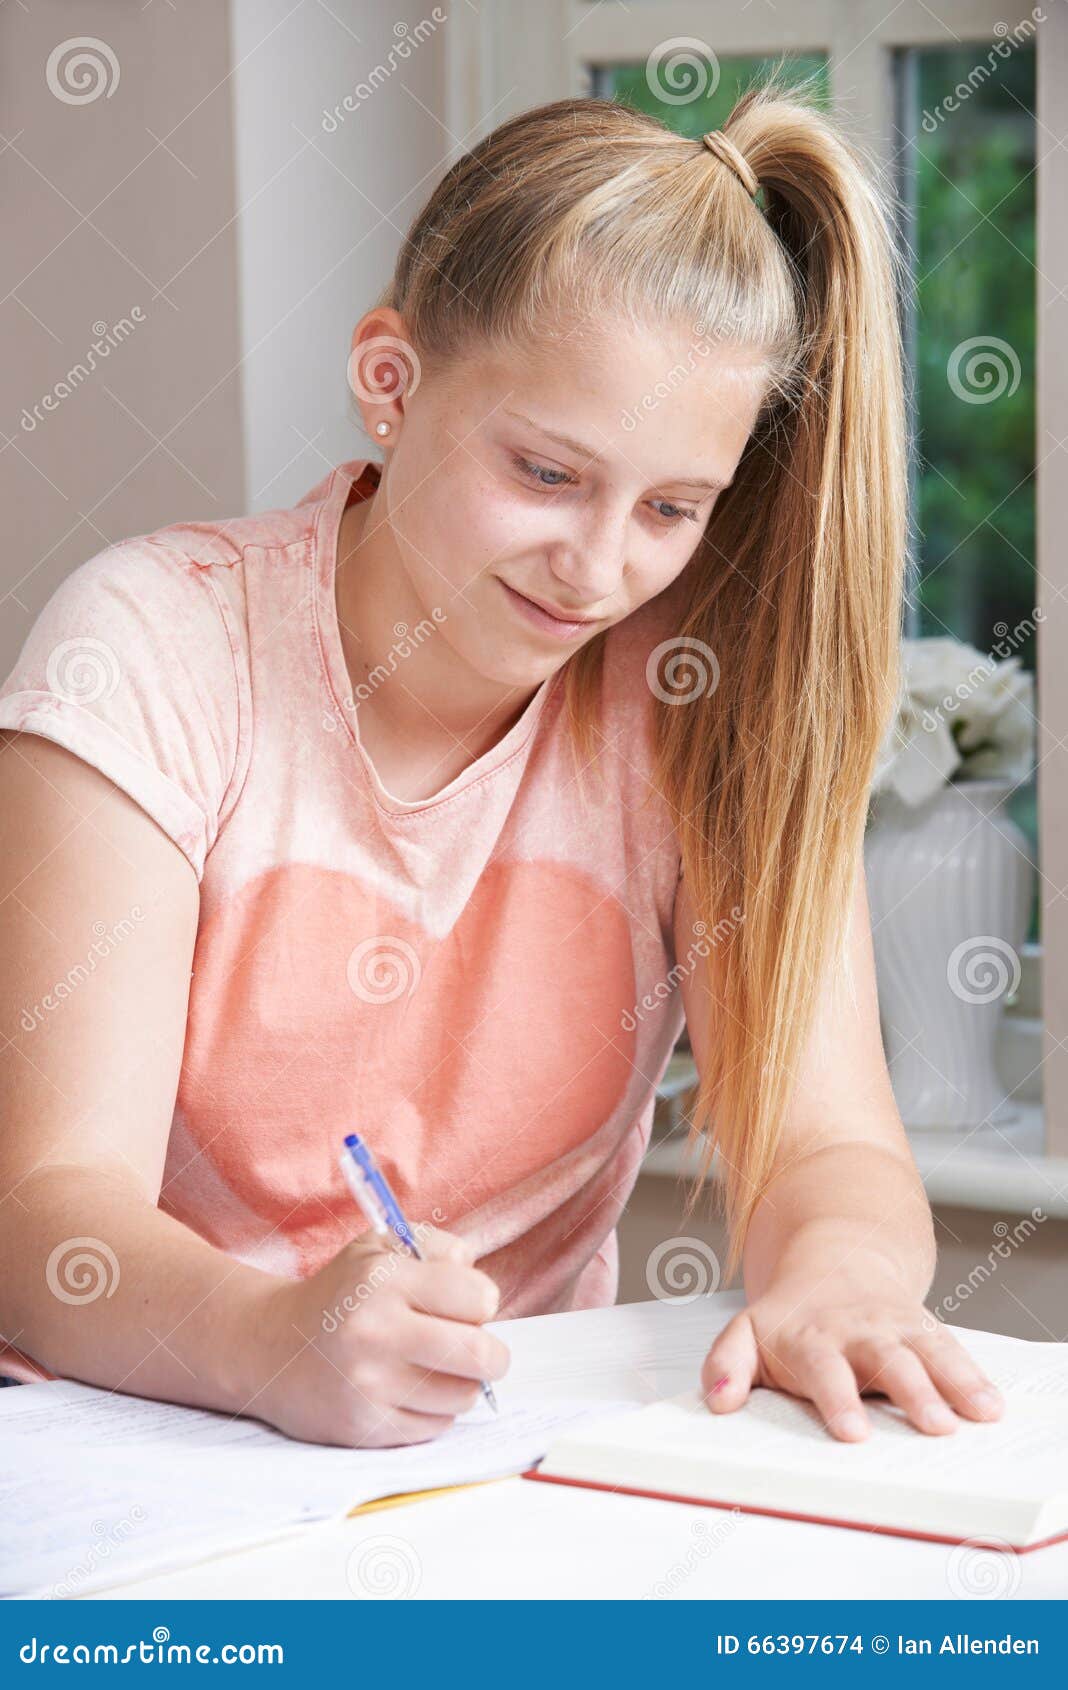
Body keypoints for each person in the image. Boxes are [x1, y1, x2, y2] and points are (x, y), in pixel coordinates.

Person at [0, 80, 1003, 1447]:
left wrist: (840, 1278)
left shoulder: (696, 706)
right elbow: (48, 1209)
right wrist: (271, 1341)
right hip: (140, 1453)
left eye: (670, 508)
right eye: (544, 474)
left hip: (504, 1470)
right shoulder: (151, 648)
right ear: (392, 384)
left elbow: (827, 1145)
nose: (598, 569)